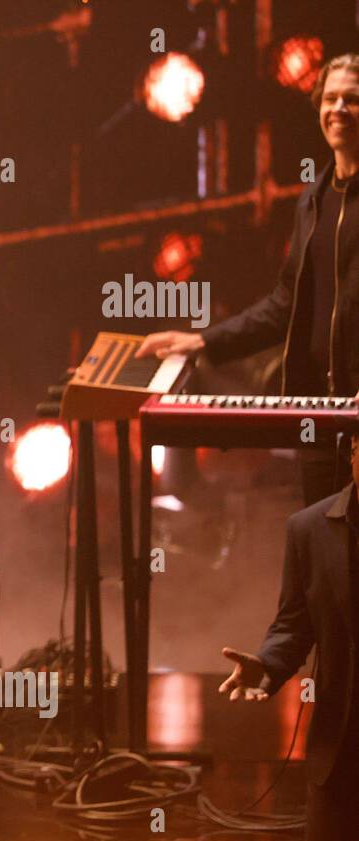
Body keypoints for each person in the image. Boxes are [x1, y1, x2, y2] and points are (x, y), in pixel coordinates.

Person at [138, 53, 359, 506]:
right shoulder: (313, 201)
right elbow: (285, 303)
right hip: (318, 416)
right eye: (331, 98)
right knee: (325, 551)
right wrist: (202, 342)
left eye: (353, 100)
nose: (339, 109)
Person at [220, 434, 359, 841]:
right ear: (353, 449)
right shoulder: (309, 528)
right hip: (341, 752)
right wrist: (265, 665)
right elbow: (293, 624)